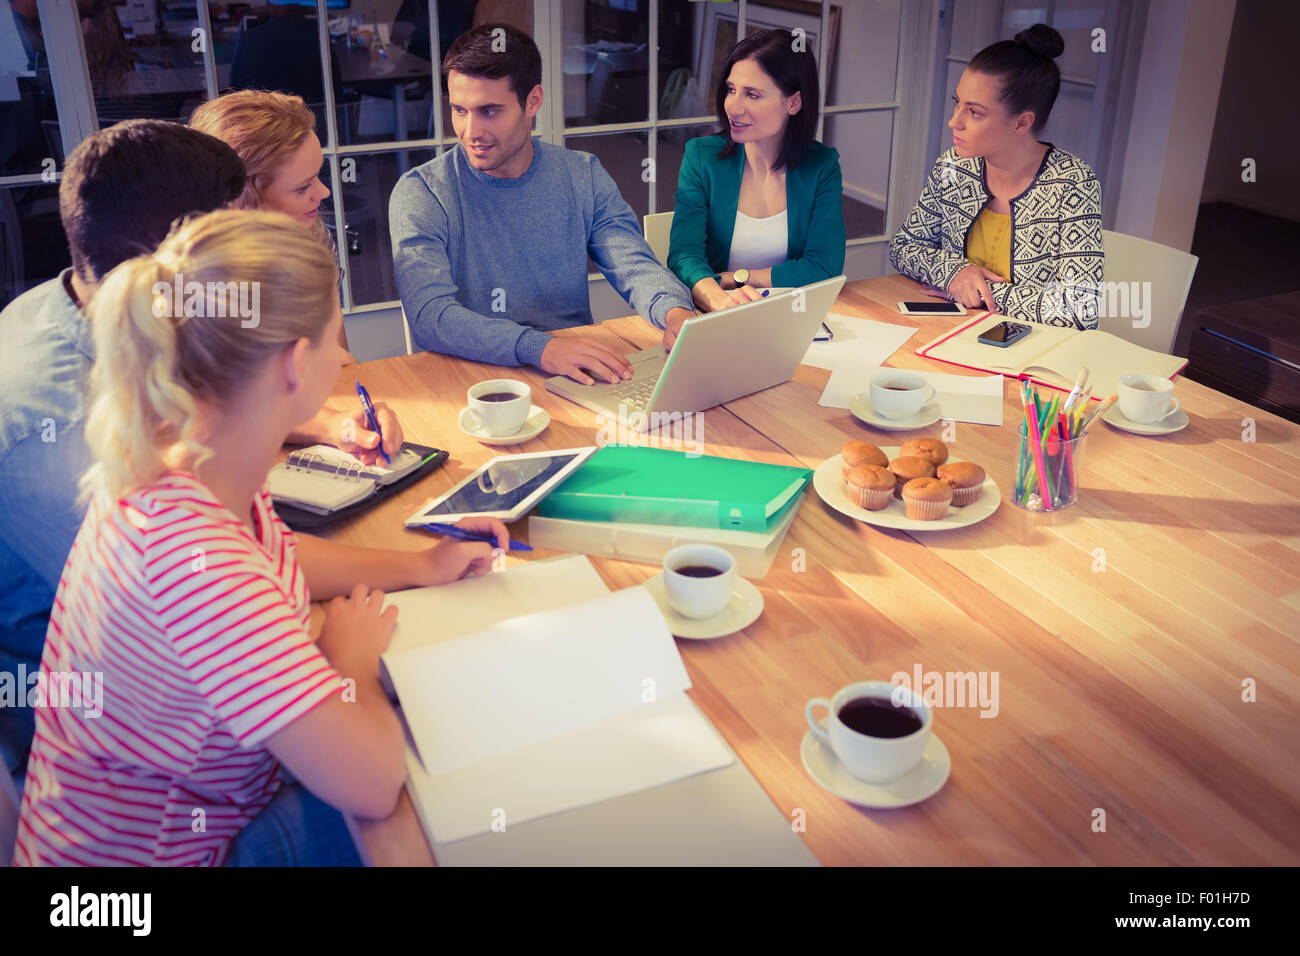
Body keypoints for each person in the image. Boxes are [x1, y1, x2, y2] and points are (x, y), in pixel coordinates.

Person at [13, 210, 510, 866]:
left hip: (178, 813)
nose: (346, 357)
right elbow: (372, 780)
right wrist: (347, 661)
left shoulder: (184, 467)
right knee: (464, 795)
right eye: (338, 338)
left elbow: (277, 556)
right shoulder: (198, 567)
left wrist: (419, 565)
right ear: (295, 366)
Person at [0, 120, 396, 780]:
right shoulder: (56, 424)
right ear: (183, 262)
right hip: (132, 734)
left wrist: (315, 421)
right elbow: (201, 594)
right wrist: (347, 661)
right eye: (233, 232)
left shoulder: (100, 301)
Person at [389, 23, 697, 386]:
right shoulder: (422, 192)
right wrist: (539, 348)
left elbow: (633, 263)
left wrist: (676, 312)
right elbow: (431, 317)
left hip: (572, 374)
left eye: (489, 111)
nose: (470, 132)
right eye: (459, 110)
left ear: (533, 101)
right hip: (470, 381)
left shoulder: (582, 175)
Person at [889, 24, 1103, 329]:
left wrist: (982, 293)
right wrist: (955, 272)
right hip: (951, 334)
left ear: (1021, 123)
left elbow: (1082, 307)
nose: (954, 121)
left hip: (1033, 352)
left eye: (974, 112)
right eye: (957, 102)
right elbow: (903, 246)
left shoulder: (1072, 184)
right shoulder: (953, 167)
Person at [666, 28, 845, 338]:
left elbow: (824, 266)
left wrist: (738, 277)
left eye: (752, 94)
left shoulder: (822, 166)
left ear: (794, 102)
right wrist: (720, 299)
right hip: (716, 321)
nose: (733, 107)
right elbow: (684, 256)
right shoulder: (701, 158)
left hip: (791, 321)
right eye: (731, 89)